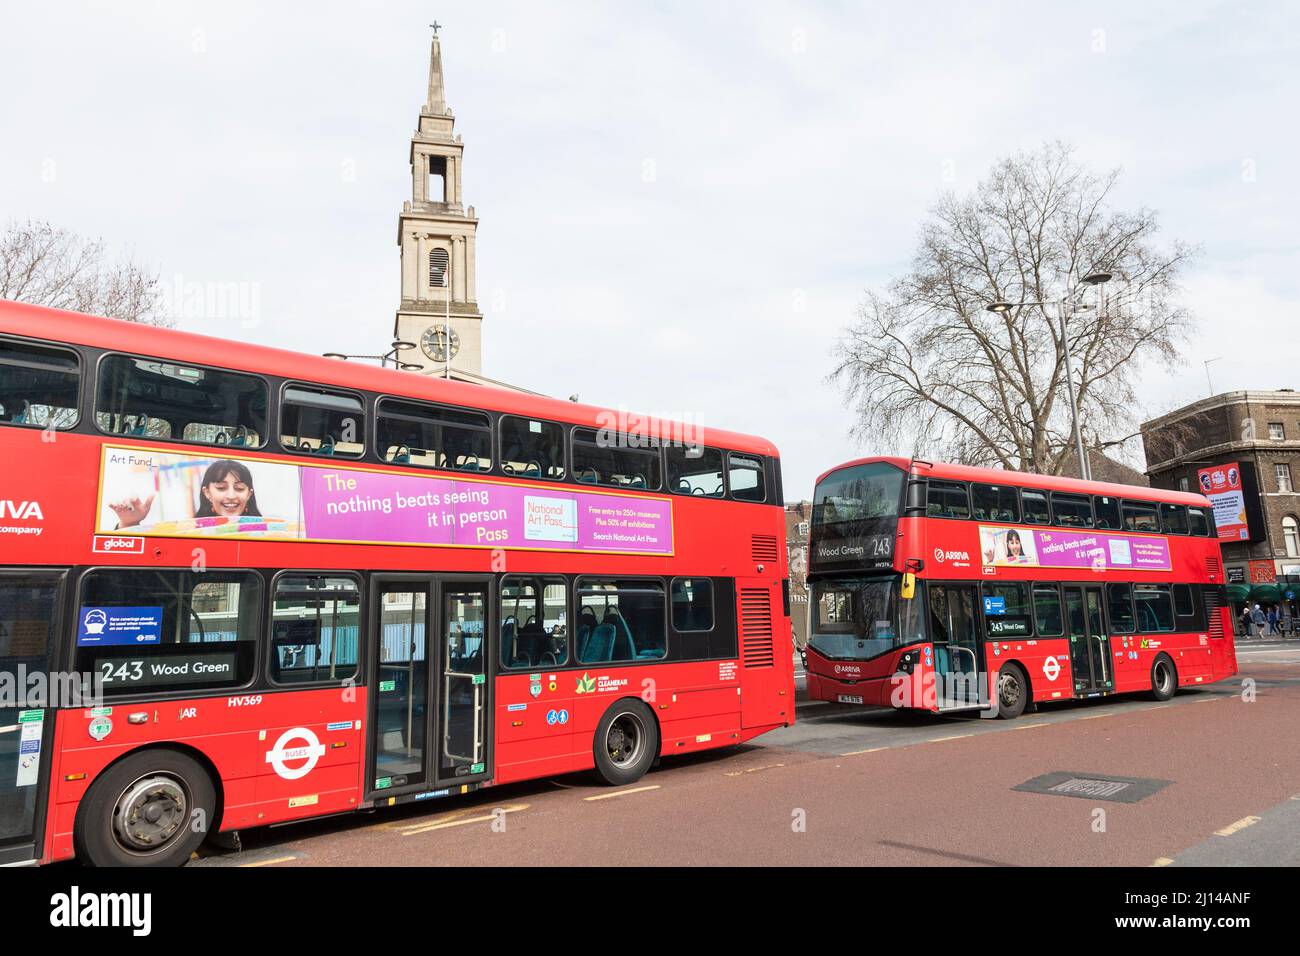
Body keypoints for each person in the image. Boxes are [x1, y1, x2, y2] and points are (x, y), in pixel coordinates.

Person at [109, 458, 262, 529]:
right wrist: (129, 524)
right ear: (207, 493)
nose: (231, 495)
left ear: (249, 494)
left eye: (239, 489)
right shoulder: (187, 530)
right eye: (221, 488)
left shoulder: (270, 531)